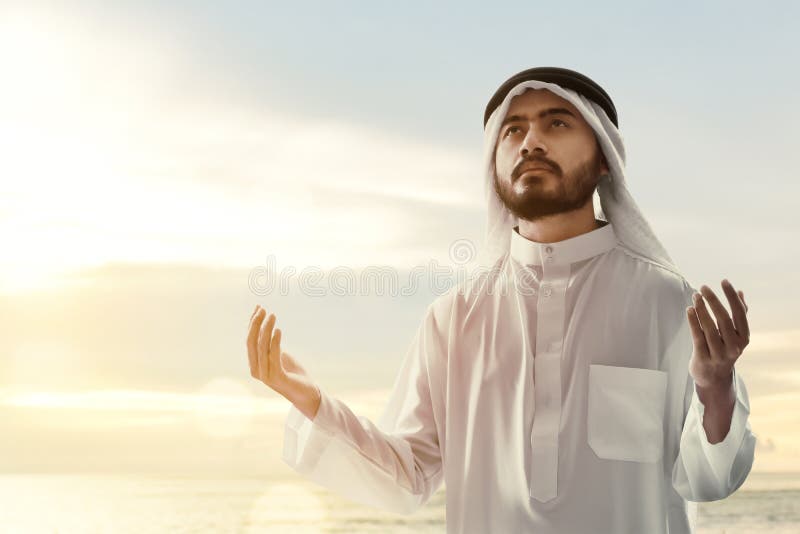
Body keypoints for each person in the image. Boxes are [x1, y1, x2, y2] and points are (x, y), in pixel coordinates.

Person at [245, 66, 756, 533]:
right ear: (495, 160)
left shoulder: (666, 302)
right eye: (513, 130)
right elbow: (408, 477)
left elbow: (708, 480)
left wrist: (716, 387)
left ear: (604, 156)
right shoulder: (453, 319)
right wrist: (311, 401)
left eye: (556, 124)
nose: (531, 140)